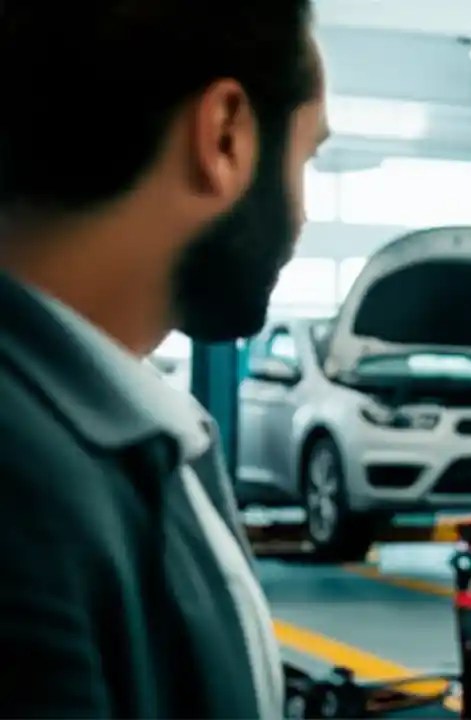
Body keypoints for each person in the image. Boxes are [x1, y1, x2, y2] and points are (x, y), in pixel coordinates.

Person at [0, 1, 328, 717]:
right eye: (307, 156)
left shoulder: (131, 433)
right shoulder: (27, 494)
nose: (302, 213)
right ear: (226, 135)